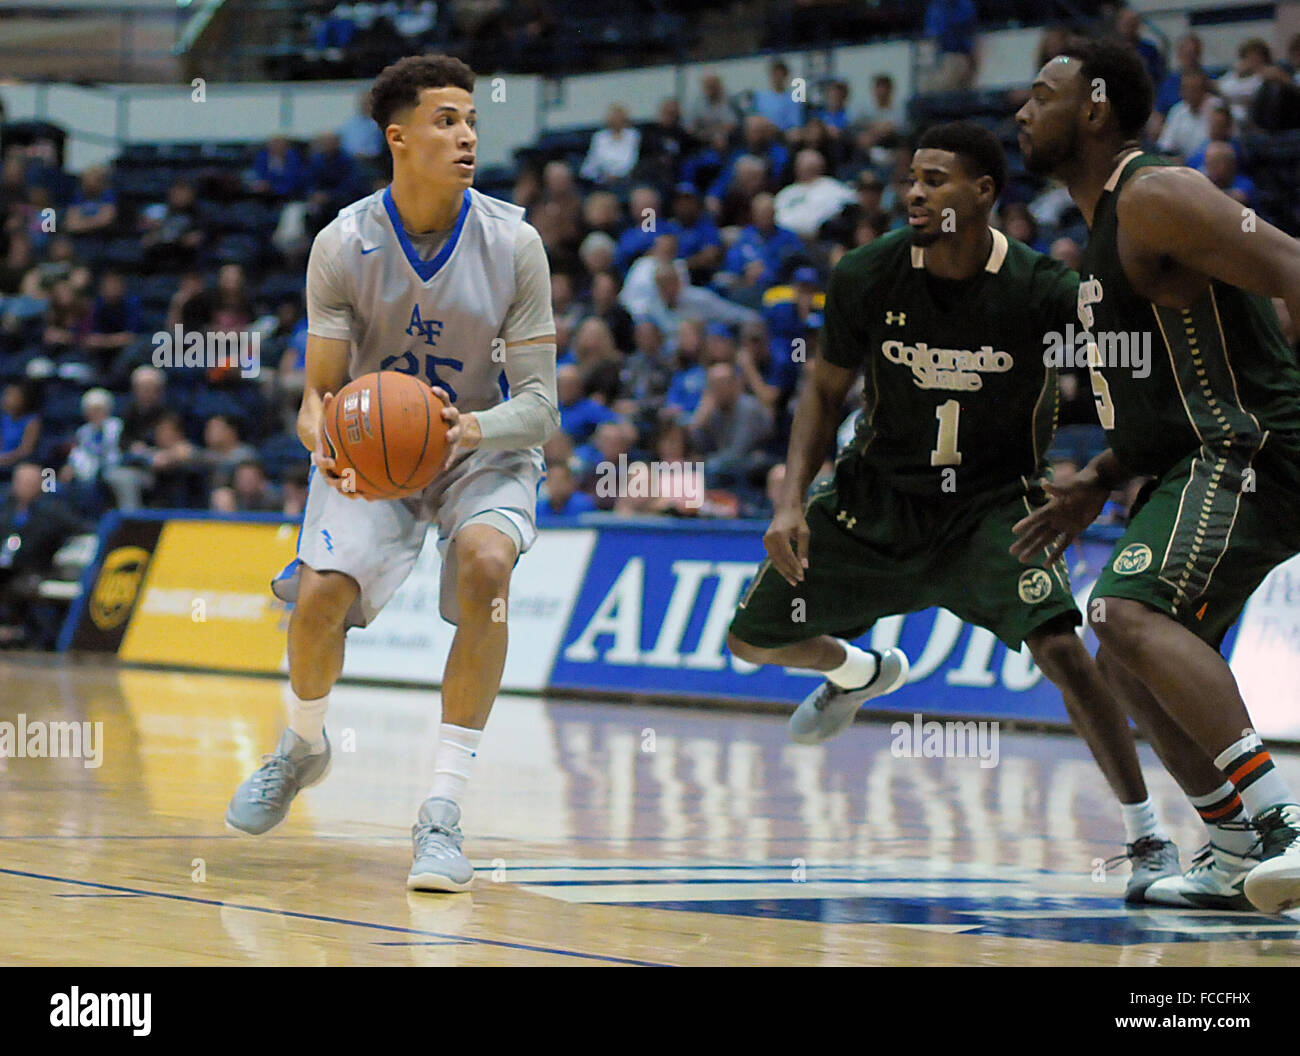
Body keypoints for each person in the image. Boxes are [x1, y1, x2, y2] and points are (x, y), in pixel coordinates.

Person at [727, 121, 1232, 903]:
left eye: (935, 180)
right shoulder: (867, 272)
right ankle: (858, 672)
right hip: (876, 499)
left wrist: (1106, 470)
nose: (916, 194)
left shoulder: (1041, 289)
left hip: (995, 508)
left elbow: (1134, 363)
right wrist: (791, 498)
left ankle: (1146, 838)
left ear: (984, 192)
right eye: (911, 181)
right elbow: (824, 390)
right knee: (752, 639)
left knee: (1064, 651)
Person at [228, 55, 560, 894]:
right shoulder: (343, 243)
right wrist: (325, 440)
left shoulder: (515, 242)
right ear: (398, 137)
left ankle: (442, 813)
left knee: (487, 567)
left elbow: (542, 404)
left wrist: (468, 427)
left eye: (472, 119)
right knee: (317, 605)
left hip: (482, 445)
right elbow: (317, 395)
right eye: (447, 120)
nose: (467, 136)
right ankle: (302, 747)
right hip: (374, 449)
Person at [1014, 39, 1300, 914]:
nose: (1022, 112)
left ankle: (1282, 824)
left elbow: (1294, 267)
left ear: (1095, 108)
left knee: (1128, 610)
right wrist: (1099, 473)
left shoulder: (1155, 194)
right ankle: (1232, 848)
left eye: (1041, 95)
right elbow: (1161, 397)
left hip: (1252, 444)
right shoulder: (1105, 225)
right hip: (1202, 449)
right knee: (1127, 652)